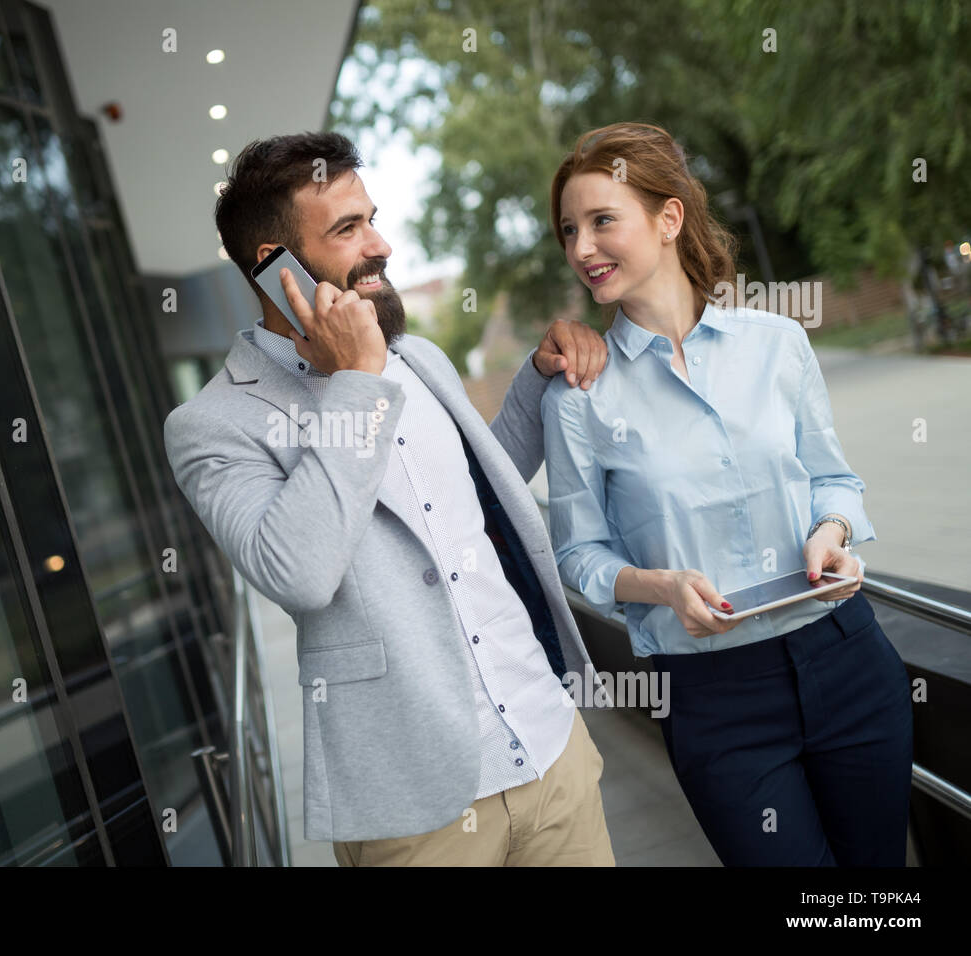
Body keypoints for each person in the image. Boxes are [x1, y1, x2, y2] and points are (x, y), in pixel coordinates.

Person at [165, 131, 615, 866]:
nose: (382, 245)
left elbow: (480, 485)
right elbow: (299, 571)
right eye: (348, 229)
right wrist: (356, 382)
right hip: (416, 810)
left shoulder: (419, 357)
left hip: (548, 748)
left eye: (371, 218)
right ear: (273, 267)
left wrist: (537, 375)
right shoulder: (212, 424)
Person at [540, 122, 913, 866]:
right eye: (569, 230)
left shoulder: (778, 344)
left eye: (602, 220)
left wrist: (833, 530)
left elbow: (833, 477)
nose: (582, 249)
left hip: (845, 658)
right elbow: (578, 552)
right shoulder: (578, 393)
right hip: (714, 698)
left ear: (669, 217)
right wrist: (657, 586)